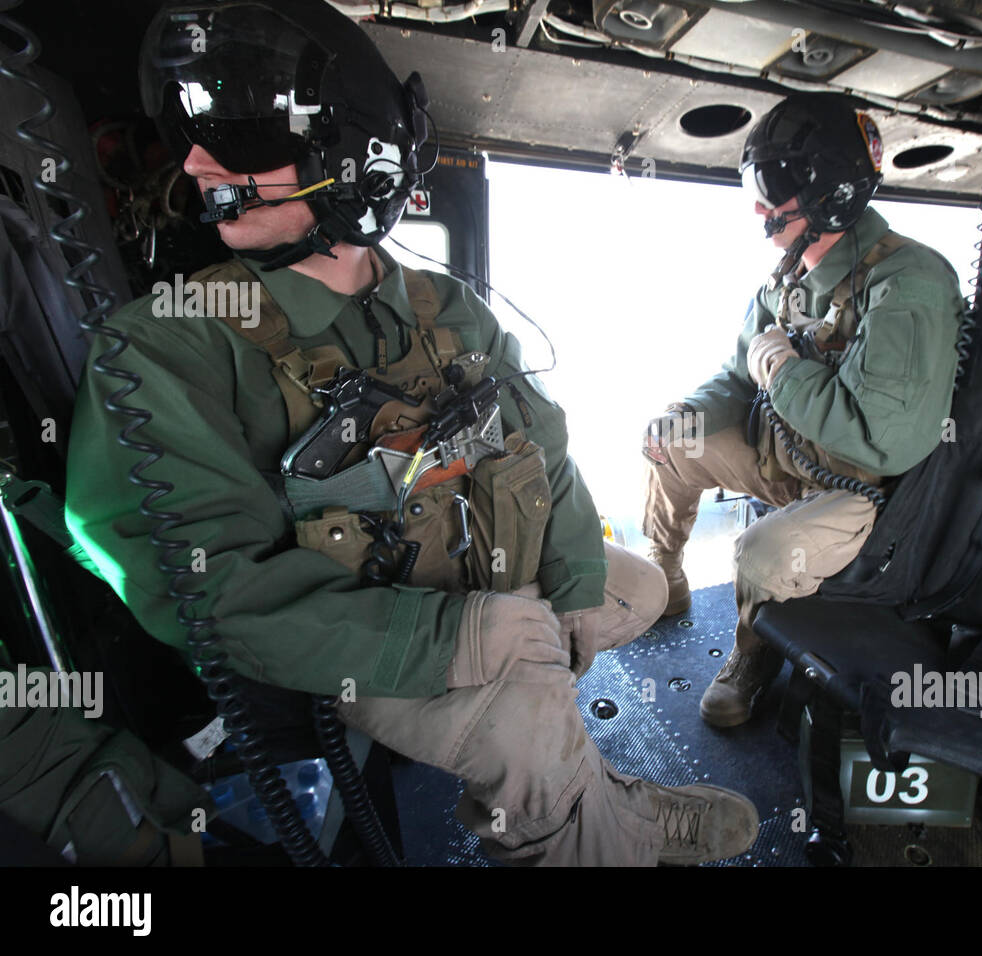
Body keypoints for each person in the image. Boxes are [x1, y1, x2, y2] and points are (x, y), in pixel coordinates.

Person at [65, 0, 757, 866]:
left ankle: (591, 795)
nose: (198, 162)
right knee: (530, 716)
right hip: (344, 637)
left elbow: (544, 448)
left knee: (641, 590)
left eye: (239, 138)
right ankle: (595, 831)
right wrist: (456, 640)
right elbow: (210, 592)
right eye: (194, 133)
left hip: (484, 577)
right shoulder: (170, 342)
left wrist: (572, 581)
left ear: (349, 158)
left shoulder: (452, 309)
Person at [643, 93, 965, 728]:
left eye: (771, 187)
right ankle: (665, 572)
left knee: (761, 552)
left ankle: (752, 657)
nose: (758, 207)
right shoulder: (787, 279)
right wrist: (687, 416)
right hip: (785, 456)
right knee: (673, 442)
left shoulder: (909, 284)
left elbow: (882, 443)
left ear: (830, 195)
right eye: (753, 185)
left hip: (862, 493)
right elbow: (739, 376)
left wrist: (783, 370)